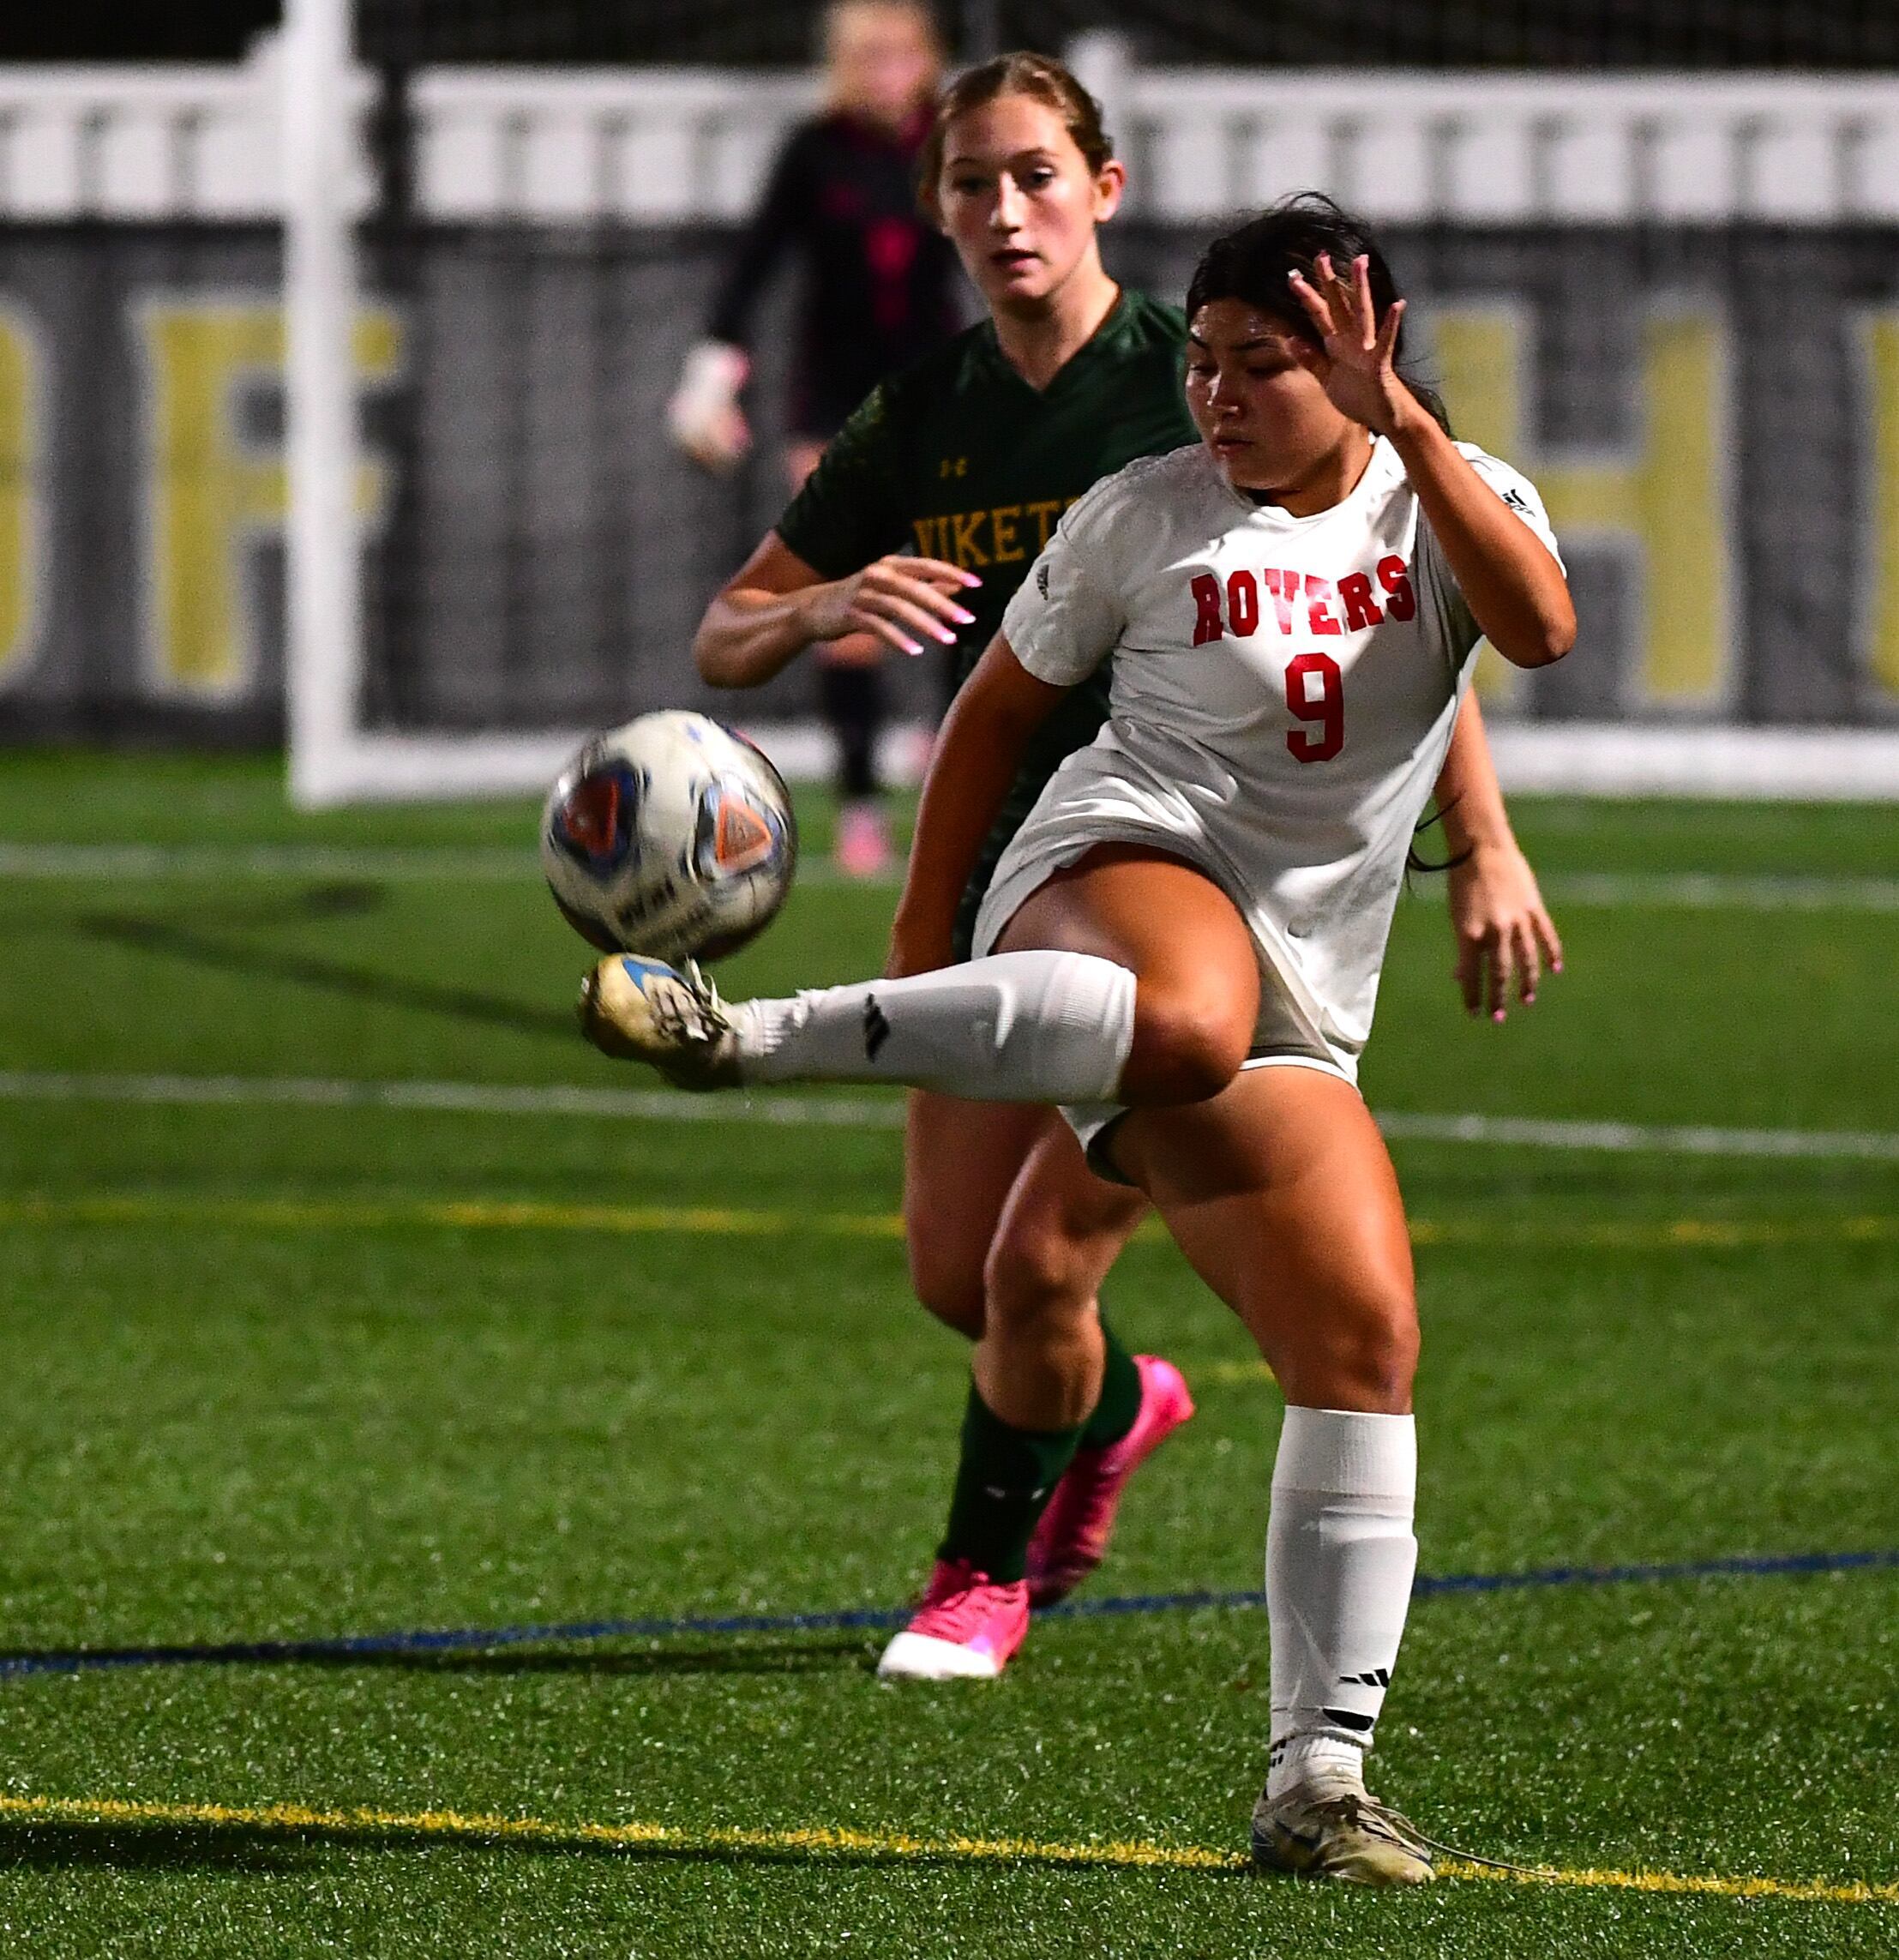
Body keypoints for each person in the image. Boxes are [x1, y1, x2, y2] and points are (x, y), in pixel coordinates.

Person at [581, 191, 1576, 1884]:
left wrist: (1411, 431)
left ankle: (1315, 1787)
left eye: (1268, 363)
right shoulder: (1144, 515)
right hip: (1111, 873)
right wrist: (925, 933)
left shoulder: (1453, 504)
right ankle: (739, 1038)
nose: (1220, 394)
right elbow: (993, 723)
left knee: (1364, 1343)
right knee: (1175, 1028)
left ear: (1369, 353)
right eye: (1203, 361)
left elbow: (1539, 626)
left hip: (1297, 993)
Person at [668, 0, 959, 876]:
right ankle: (861, 806)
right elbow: (754, 264)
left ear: (927, 58)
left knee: (963, 583)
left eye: (901, 54)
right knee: (849, 609)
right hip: (830, 401)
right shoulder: (815, 150)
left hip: (936, 392)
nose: (886, 72)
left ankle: (948, 760)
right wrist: (713, 373)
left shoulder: (956, 144)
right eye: (867, 57)